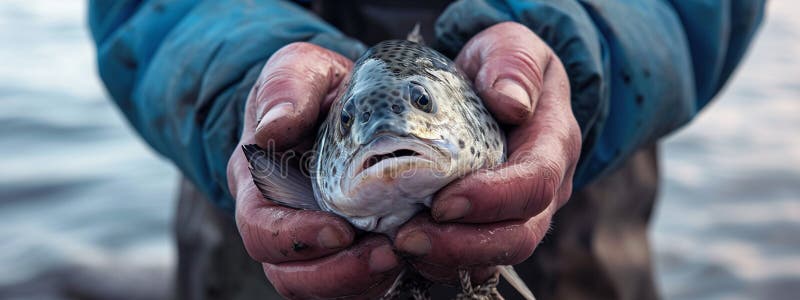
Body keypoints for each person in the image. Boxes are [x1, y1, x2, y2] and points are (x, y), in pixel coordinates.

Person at [89, 1, 765, 299]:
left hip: (582, 182)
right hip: (240, 204)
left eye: (410, 116)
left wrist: (581, 51)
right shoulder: (280, 157)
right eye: (364, 129)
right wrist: (241, 82)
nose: (386, 139)